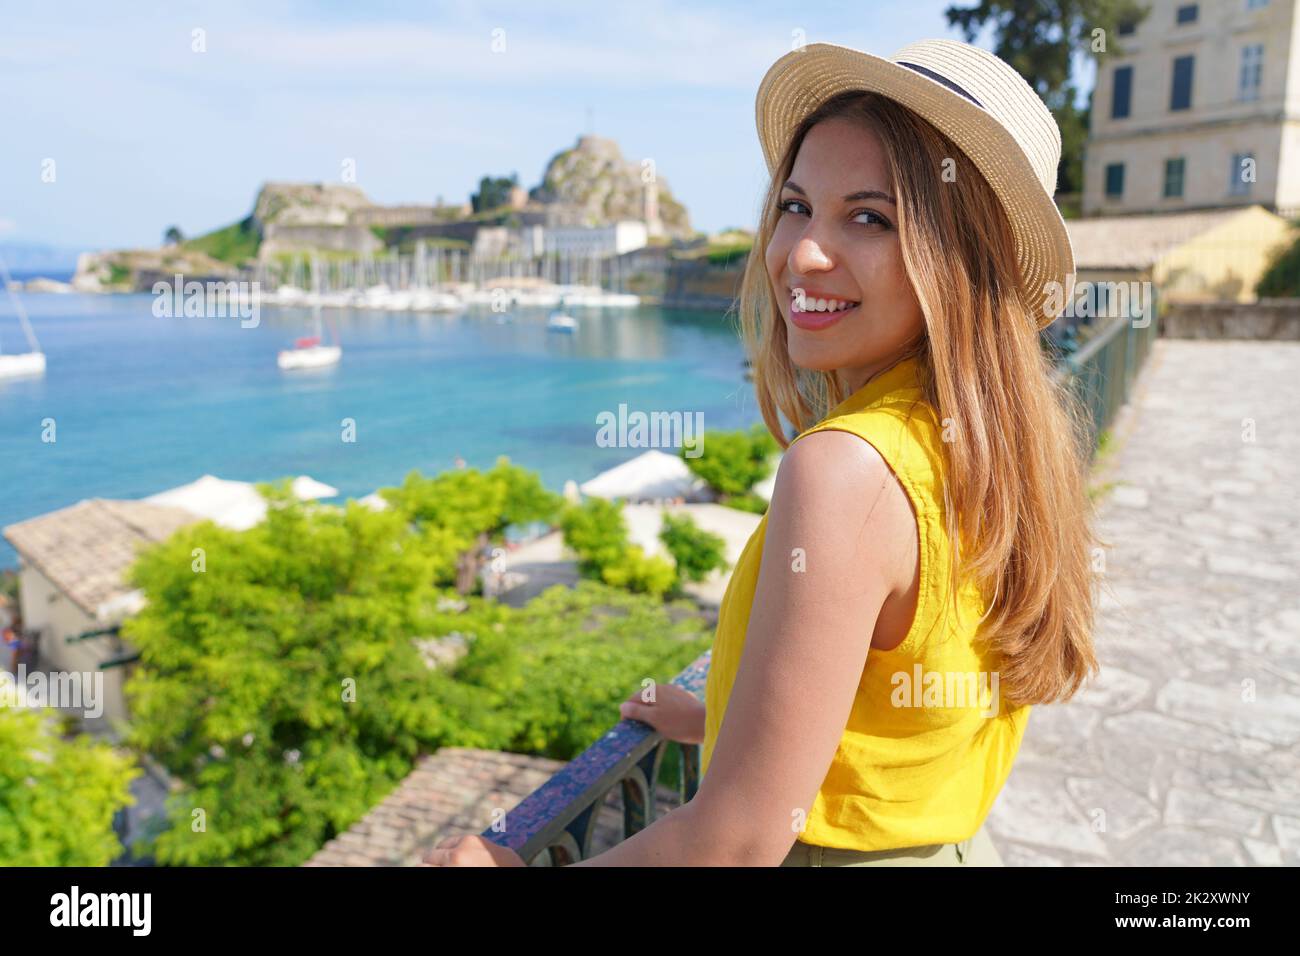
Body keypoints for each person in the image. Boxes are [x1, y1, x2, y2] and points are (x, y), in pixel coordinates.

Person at [426, 37, 1099, 868]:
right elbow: (903, 693)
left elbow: (736, 840)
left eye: (870, 217)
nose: (802, 254)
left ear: (962, 256)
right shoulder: (994, 444)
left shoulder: (847, 468)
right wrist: (730, 712)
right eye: (794, 206)